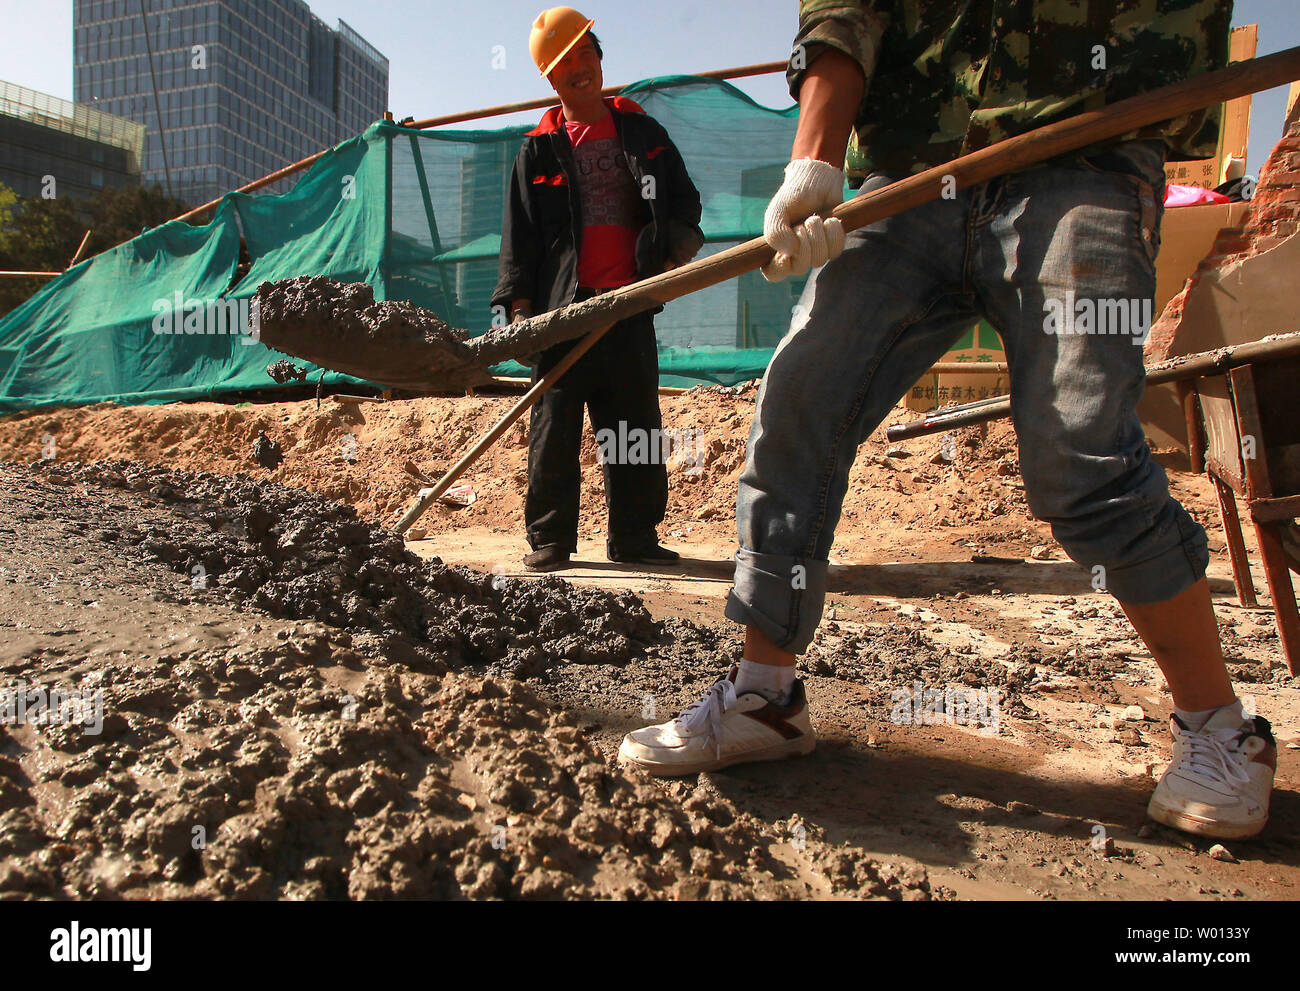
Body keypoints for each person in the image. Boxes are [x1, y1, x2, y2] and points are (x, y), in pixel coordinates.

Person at [620, 0, 1277, 841]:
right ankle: (765, 699)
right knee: (799, 405)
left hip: (1087, 152)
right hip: (915, 171)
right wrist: (815, 161)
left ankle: (1220, 727)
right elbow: (845, 11)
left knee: (1080, 450)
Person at [493, 6, 704, 573]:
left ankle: (634, 537)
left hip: (629, 306)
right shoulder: (538, 150)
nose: (579, 68)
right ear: (550, 77)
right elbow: (519, 237)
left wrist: (669, 257)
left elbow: (685, 204)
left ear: (601, 59)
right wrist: (520, 312)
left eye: (586, 53)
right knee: (553, 429)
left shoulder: (643, 134)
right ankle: (550, 539)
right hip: (563, 313)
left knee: (635, 428)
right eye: (565, 62)